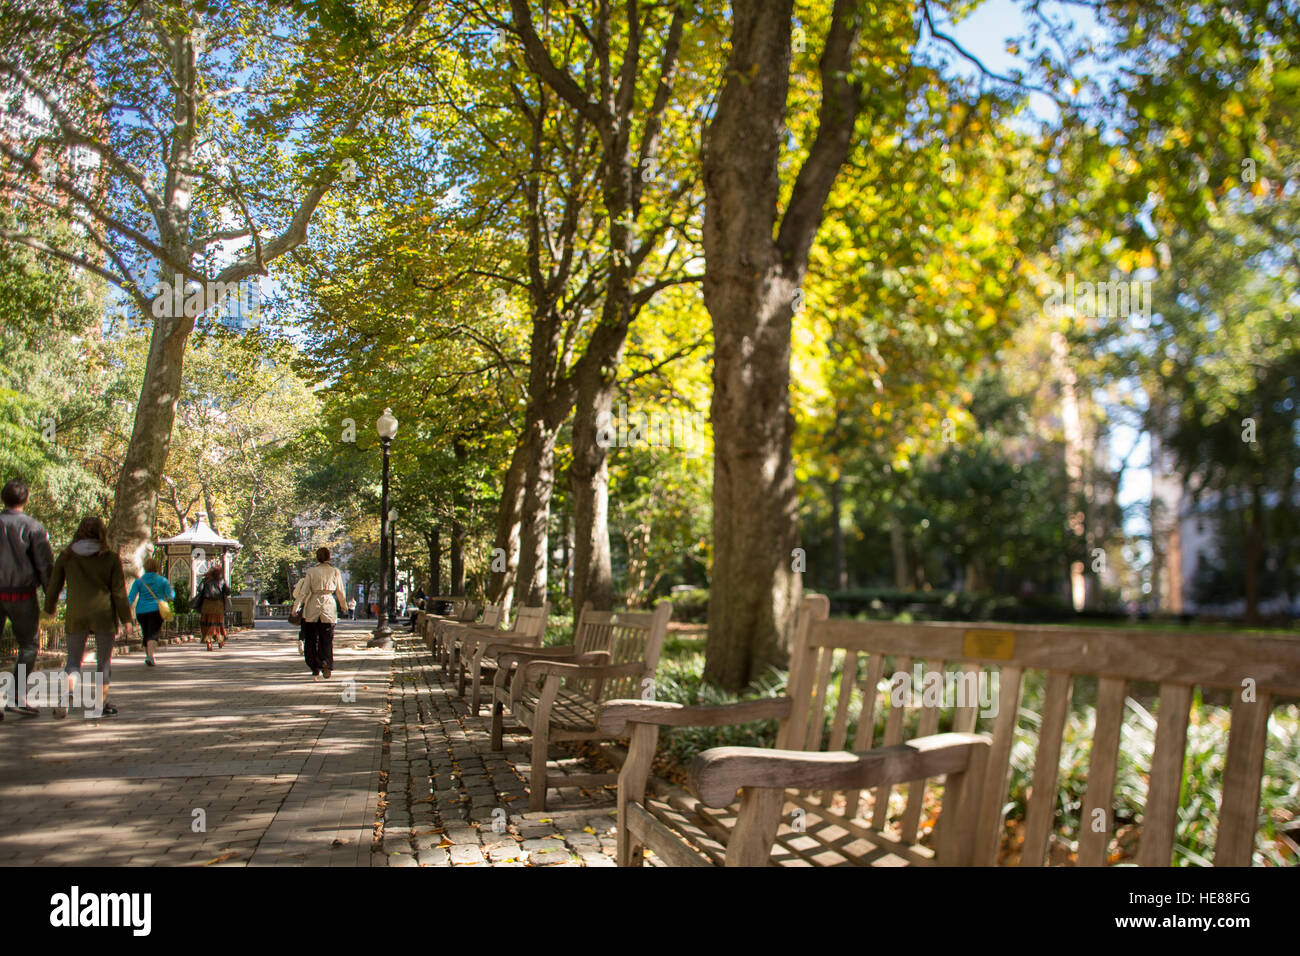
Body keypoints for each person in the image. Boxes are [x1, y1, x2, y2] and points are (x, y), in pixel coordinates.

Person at [43, 516, 130, 717]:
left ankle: (65, 700)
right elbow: (118, 591)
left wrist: (49, 608)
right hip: (104, 614)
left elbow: (54, 585)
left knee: (73, 660)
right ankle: (100, 703)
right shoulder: (110, 558)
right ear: (102, 533)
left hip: (77, 614)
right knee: (104, 662)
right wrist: (126, 619)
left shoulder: (67, 556)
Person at [0, 478, 55, 718]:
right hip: (21, 593)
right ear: (26, 499)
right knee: (29, 645)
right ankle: (16, 696)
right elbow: (44, 564)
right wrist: (50, 596)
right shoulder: (33, 527)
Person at [291, 547, 347, 680]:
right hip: (328, 605)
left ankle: (314, 665)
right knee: (327, 639)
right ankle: (326, 662)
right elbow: (340, 591)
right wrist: (343, 606)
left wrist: (296, 607)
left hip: (313, 606)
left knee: (311, 639)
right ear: (329, 557)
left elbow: (304, 592)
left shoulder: (311, 571)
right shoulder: (335, 571)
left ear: (317, 558)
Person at [128, 557, 174, 666]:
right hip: (156, 610)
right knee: (153, 633)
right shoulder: (163, 581)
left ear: (145, 567)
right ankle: (150, 656)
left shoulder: (139, 581)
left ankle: (149, 656)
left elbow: (131, 597)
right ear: (157, 567)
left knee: (146, 632)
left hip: (141, 611)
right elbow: (171, 596)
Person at [197, 564, 231, 650]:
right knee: (218, 623)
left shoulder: (206, 580)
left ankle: (209, 642)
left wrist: (204, 581)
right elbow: (228, 592)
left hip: (207, 604)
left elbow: (199, 589)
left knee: (207, 623)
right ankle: (220, 640)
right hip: (218, 604)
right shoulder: (222, 581)